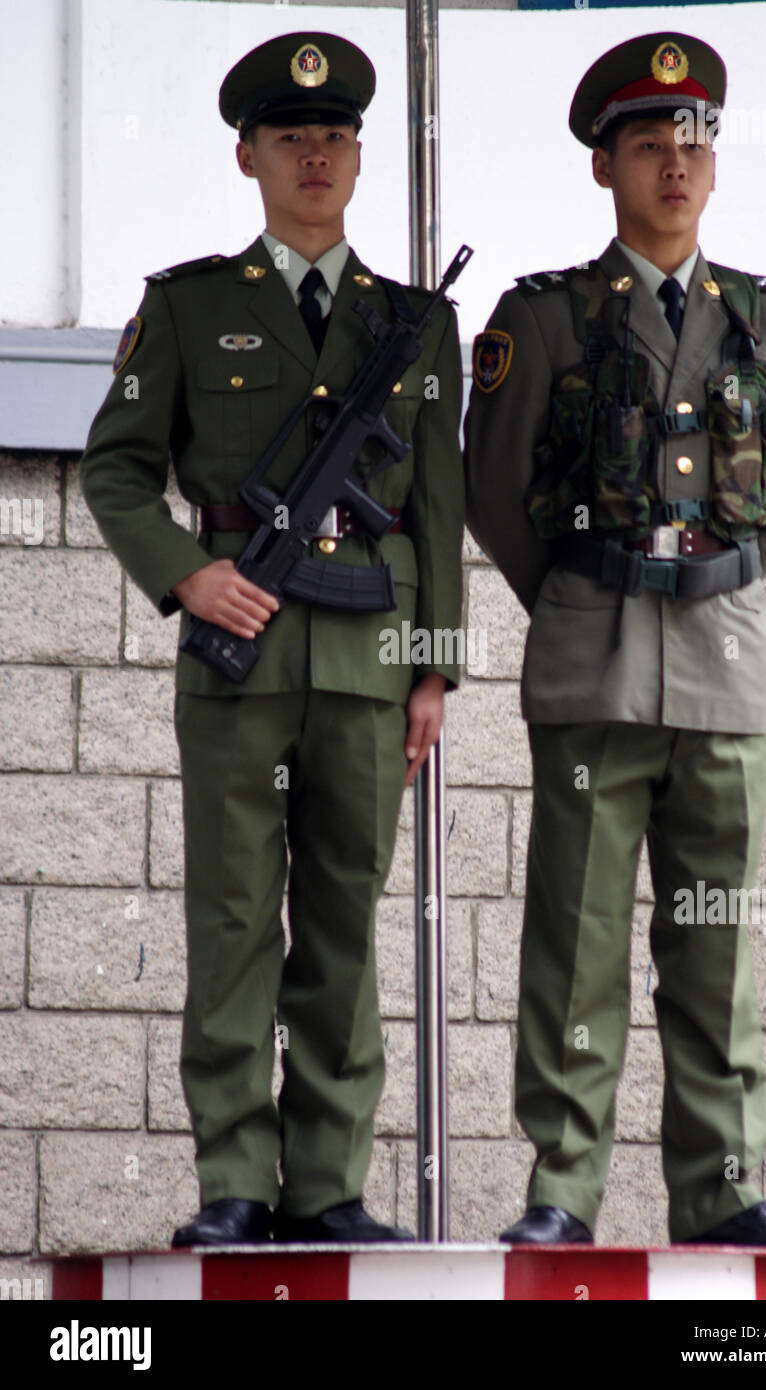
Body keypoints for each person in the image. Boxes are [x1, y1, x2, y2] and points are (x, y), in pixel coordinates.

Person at [80, 31, 465, 1246]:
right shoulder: (190, 306)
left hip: (365, 667)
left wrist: (433, 668)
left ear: (358, 157)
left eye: (338, 136)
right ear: (247, 154)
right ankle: (236, 1185)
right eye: (292, 137)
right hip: (239, 667)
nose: (317, 154)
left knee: (345, 926)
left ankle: (330, 1188)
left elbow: (440, 512)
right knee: (237, 922)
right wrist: (189, 575)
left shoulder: (412, 325)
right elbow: (117, 469)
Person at [464, 31, 766, 1249]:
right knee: (573, 946)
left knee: (717, 949)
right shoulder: (548, 318)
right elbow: (498, 489)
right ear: (603, 168)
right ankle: (561, 1191)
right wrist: (586, 594)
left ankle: (722, 1190)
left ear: (714, 164)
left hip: (722, 676)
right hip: (592, 668)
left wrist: (705, 584)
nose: (675, 162)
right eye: (646, 143)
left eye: (694, 141)